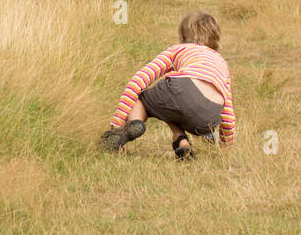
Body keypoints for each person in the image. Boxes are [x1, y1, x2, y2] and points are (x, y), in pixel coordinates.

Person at [101, 11, 235, 158]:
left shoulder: (178, 49)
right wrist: (226, 149)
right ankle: (181, 141)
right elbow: (228, 115)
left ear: (183, 36)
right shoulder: (222, 63)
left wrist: (117, 123)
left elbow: (139, 80)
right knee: (171, 108)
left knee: (148, 101)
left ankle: (129, 127)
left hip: (180, 89)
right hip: (209, 116)